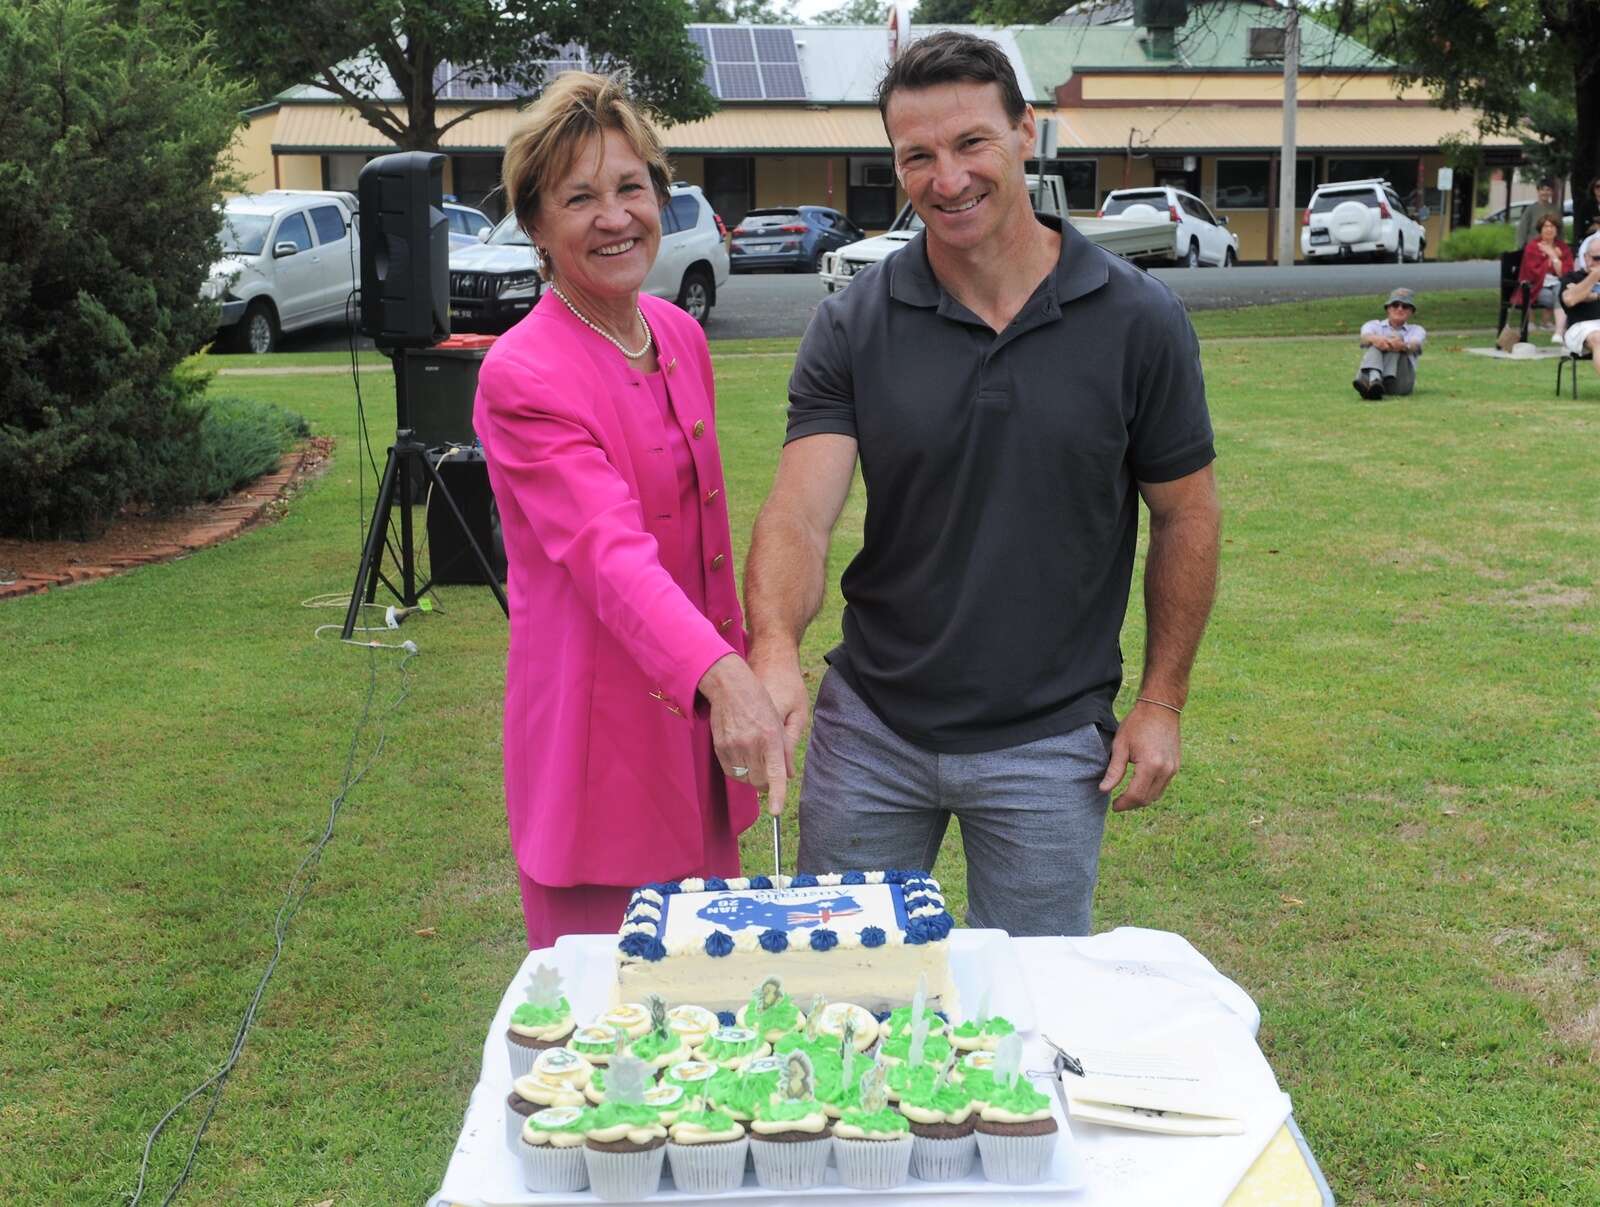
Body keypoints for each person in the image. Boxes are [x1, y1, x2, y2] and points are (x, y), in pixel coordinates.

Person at [743, 31, 1220, 939]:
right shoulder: (853, 324)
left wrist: (1162, 700)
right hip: (872, 730)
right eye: (916, 156)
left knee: (1035, 1014)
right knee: (843, 988)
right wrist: (772, 643)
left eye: (970, 144)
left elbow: (1186, 513)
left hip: (1049, 742)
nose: (946, 178)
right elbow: (800, 515)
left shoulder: (1138, 320)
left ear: (1025, 133)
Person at [474, 72, 787, 949]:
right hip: (600, 760)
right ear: (536, 225)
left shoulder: (678, 333)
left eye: (630, 187)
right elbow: (610, 555)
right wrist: (729, 679)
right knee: (610, 1044)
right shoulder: (523, 373)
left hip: (699, 746)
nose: (614, 217)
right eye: (579, 198)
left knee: (708, 1026)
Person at [1353, 288, 1426, 400]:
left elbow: (1414, 345)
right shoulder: (1373, 325)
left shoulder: (1417, 330)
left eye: (1405, 306)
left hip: (1400, 381)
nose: (1400, 309)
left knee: (1396, 340)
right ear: (1388, 308)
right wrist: (1378, 340)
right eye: (1395, 305)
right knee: (1376, 342)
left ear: (1411, 311)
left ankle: (1373, 379)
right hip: (1375, 383)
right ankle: (1375, 383)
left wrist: (1401, 345)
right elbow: (1364, 338)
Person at [1517, 214, 1573, 336]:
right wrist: (1553, 258)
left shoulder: (1562, 247)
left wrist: (1552, 256)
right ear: (1540, 230)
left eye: (1552, 226)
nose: (1549, 229)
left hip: (1558, 286)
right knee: (1563, 298)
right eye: (1546, 226)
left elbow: (1565, 274)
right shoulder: (1533, 246)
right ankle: (1561, 330)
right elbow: (1532, 273)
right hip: (1538, 287)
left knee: (1560, 289)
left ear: (1557, 229)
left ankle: (1558, 331)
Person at [1558, 257, 1600, 376]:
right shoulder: (1573, 277)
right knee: (1597, 338)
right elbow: (1570, 299)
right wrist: (1594, 276)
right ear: (1586, 257)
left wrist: (1590, 295)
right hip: (1582, 327)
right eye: (1596, 258)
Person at [1513, 178, 1561, 248]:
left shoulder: (1555, 210)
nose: (1545, 192)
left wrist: (1560, 245)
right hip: (1533, 248)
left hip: (1551, 247)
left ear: (1552, 192)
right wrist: (1521, 247)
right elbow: (1522, 230)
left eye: (1548, 190)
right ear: (1538, 191)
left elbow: (1560, 230)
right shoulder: (1530, 209)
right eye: (1542, 190)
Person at [1575, 177, 1600, 243]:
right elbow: (1582, 227)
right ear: (1593, 189)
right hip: (1591, 239)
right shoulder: (1586, 205)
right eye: (1597, 186)